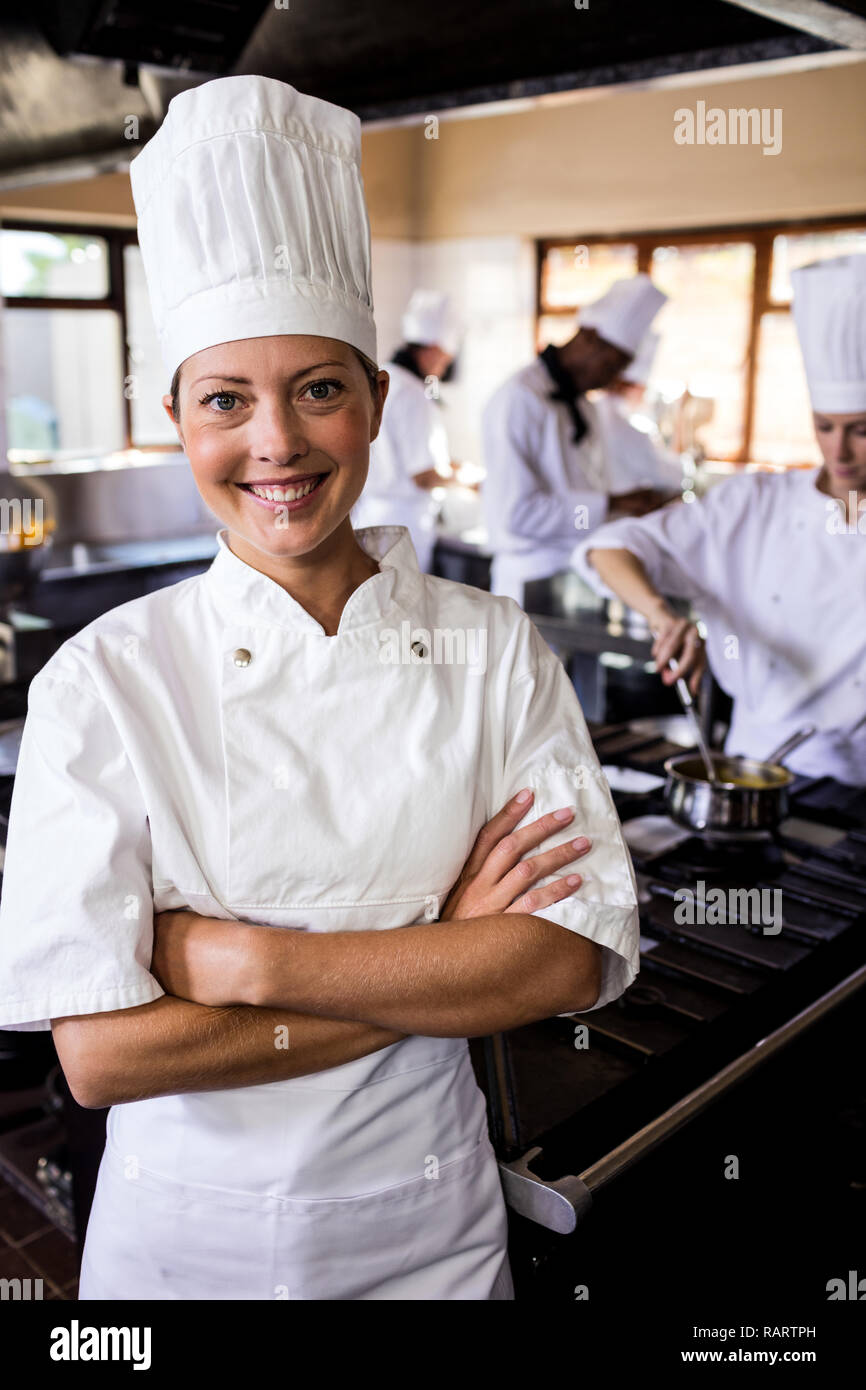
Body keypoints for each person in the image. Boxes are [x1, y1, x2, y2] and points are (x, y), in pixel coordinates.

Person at [0, 75, 640, 1301]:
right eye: (226, 400)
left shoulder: (494, 647)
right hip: (181, 1251)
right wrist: (445, 957)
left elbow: (561, 964)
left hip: (429, 1241)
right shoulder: (106, 682)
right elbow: (102, 1056)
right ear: (177, 418)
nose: (277, 445)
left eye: (319, 389)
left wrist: (247, 963)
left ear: (375, 401)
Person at [573, 254, 866, 786]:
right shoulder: (756, 503)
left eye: (861, 430)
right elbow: (610, 548)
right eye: (825, 426)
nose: (839, 450)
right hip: (755, 769)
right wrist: (665, 619)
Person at [481, 273, 669, 605]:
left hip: (573, 575)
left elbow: (579, 491)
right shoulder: (520, 399)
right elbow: (518, 514)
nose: (610, 379)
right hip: (528, 583)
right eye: (610, 365)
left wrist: (624, 504)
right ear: (588, 337)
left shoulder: (583, 403)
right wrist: (612, 504)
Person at [351, 289, 460, 571]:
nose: (442, 367)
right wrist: (467, 480)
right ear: (434, 350)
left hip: (370, 517)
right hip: (403, 525)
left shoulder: (382, 378)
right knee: (401, 607)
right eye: (445, 360)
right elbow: (423, 476)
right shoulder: (414, 394)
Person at [591, 330, 685, 495]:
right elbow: (669, 477)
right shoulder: (626, 428)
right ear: (634, 386)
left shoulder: (591, 411)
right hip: (618, 513)